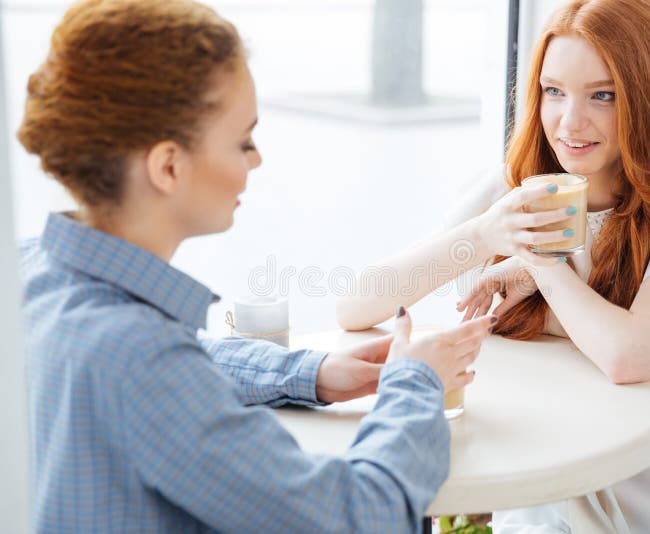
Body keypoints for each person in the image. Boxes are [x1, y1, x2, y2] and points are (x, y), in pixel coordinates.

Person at [16, 1, 496, 531]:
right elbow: (358, 516)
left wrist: (311, 373)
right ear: (168, 165)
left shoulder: (31, 273)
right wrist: (417, 381)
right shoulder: (142, 360)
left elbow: (179, 360)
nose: (257, 160)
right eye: (243, 140)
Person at [336, 0, 650, 532]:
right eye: (553, 91)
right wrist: (481, 235)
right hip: (546, 506)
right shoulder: (515, 191)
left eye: (602, 95)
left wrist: (538, 264)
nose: (570, 121)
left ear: (647, 98)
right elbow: (357, 304)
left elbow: (628, 357)